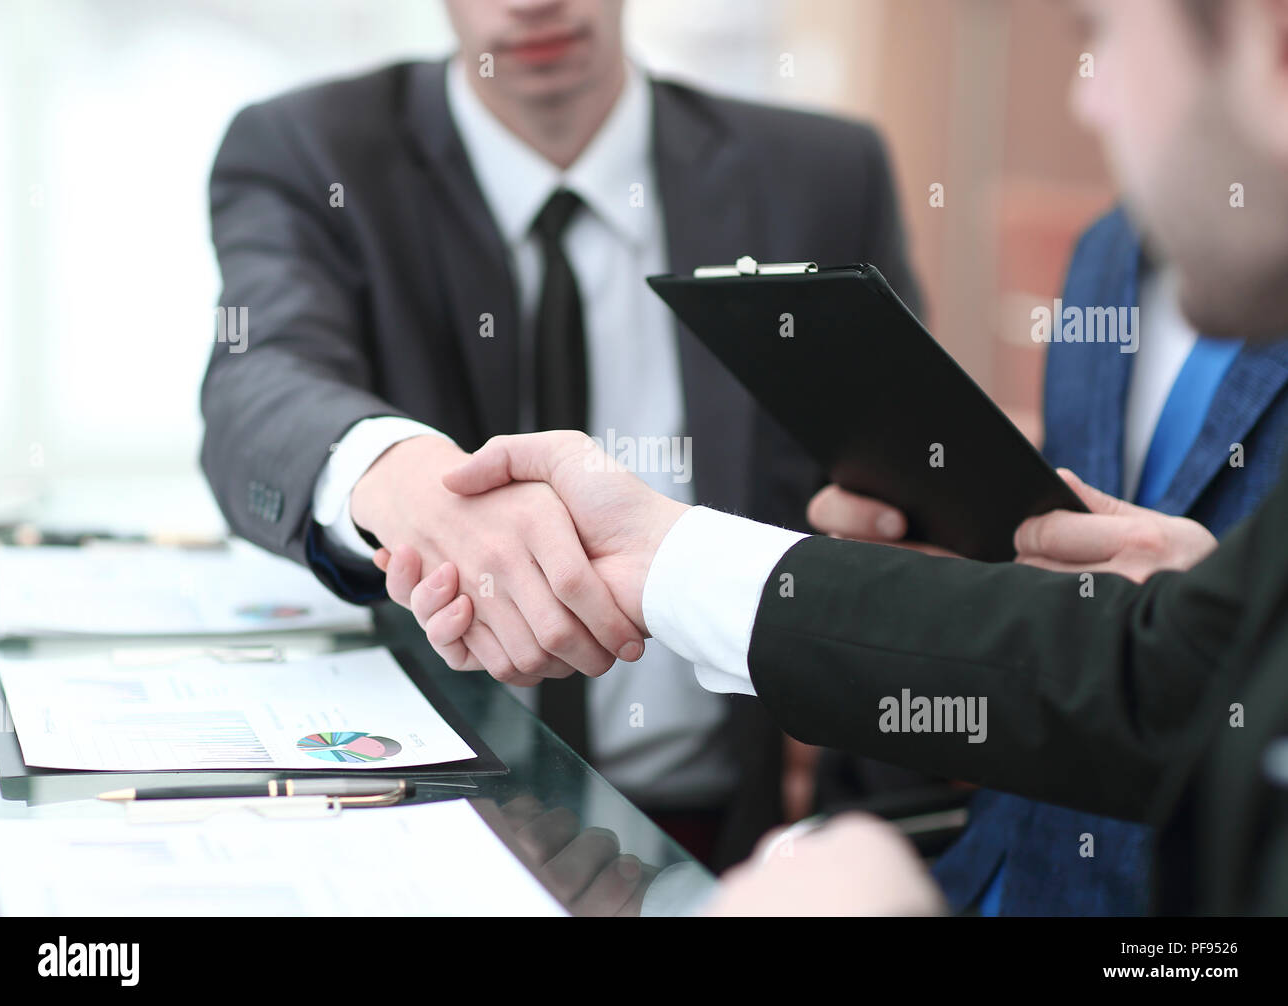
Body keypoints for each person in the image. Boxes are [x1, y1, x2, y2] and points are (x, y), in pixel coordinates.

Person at [385, 0, 1288, 913]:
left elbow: (1164, 678)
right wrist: (980, 583)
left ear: (1271, 42)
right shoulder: (1113, 259)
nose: (1085, 99)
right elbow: (1117, 656)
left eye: (1097, 35)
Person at [199, 0, 919, 867]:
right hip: (421, 829)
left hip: (733, 838)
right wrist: (399, 475)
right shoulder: (310, 150)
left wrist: (871, 838)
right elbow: (254, 386)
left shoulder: (821, 173)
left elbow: (903, 504)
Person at [816, 208, 1288, 916]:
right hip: (999, 875)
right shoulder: (1108, 249)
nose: (1085, 102)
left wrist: (1223, 638)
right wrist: (963, 584)